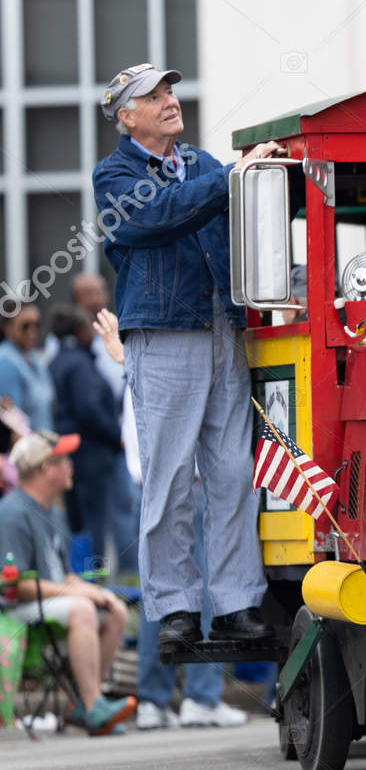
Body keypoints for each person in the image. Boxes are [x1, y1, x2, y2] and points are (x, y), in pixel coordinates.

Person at [91, 62, 282, 652]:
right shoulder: (115, 173)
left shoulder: (201, 165)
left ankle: (234, 604)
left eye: (169, 90)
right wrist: (236, 177)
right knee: (170, 478)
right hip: (166, 334)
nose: (170, 99)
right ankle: (176, 608)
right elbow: (156, 216)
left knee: (232, 476)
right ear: (127, 117)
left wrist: (274, 172)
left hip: (223, 329)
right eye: (154, 95)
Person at [88, 309, 243, 728]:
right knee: (202, 587)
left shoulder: (141, 367)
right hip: (187, 483)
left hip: (150, 486)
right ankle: (201, 696)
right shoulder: (168, 362)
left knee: (160, 589)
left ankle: (155, 700)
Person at [0, 432, 135, 734]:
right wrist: (74, 592)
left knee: (115, 610)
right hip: (14, 615)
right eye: (63, 461)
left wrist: (90, 590)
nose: (71, 466)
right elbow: (14, 587)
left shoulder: (55, 512)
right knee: (82, 609)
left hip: (47, 602)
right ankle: (93, 704)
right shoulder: (11, 513)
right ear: (45, 468)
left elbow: (61, 574)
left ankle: (88, 706)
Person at [47, 306, 138, 577]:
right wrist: (116, 436)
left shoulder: (58, 361)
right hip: (93, 453)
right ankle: (94, 576)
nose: (93, 333)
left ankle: (80, 574)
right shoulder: (80, 365)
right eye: (88, 327)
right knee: (96, 517)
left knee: (78, 518)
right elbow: (89, 410)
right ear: (78, 331)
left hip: (74, 452)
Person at [0, 304, 54, 433]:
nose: (32, 331)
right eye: (25, 326)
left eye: (37, 325)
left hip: (43, 447)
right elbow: (13, 424)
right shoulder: (5, 362)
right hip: (26, 450)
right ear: (7, 327)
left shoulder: (33, 357)